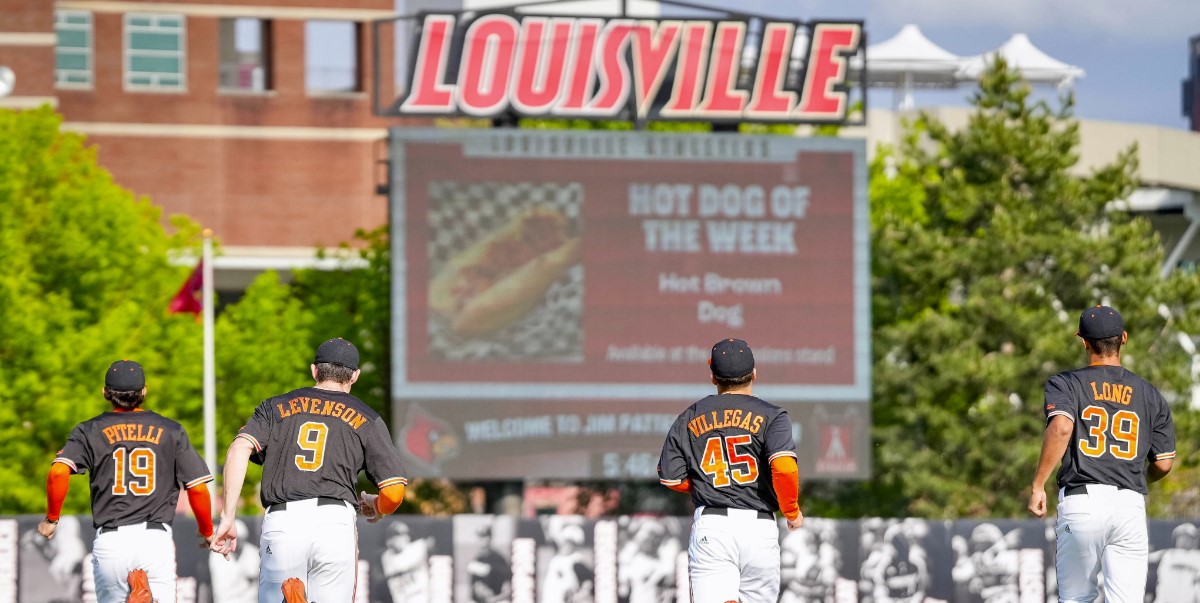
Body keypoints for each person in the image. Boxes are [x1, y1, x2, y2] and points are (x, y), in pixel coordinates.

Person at [210, 338, 410, 603]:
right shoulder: (366, 418)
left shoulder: (275, 407)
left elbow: (239, 450)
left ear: (314, 370)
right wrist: (378, 505)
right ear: (355, 376)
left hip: (282, 520)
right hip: (334, 521)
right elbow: (394, 493)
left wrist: (227, 517)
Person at [1028, 305, 1177, 602]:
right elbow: (1163, 463)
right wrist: (1135, 475)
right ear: (1124, 338)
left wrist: (1037, 484)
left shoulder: (1066, 383)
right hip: (1129, 505)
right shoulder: (1150, 394)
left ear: (1083, 341)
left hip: (1084, 500)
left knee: (1077, 599)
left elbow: (1060, 428)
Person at [38, 359, 215, 603]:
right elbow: (197, 488)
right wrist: (207, 530)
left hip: (112, 541)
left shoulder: (89, 430)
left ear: (105, 393)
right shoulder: (171, 430)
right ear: (144, 392)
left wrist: (51, 519)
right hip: (155, 540)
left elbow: (58, 473)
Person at [657, 338, 803, 603]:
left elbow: (671, 477)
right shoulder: (773, 415)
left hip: (713, 526)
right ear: (755, 373)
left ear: (713, 376)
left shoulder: (691, 415)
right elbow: (783, 467)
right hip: (760, 527)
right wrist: (791, 510)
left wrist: (706, 484)